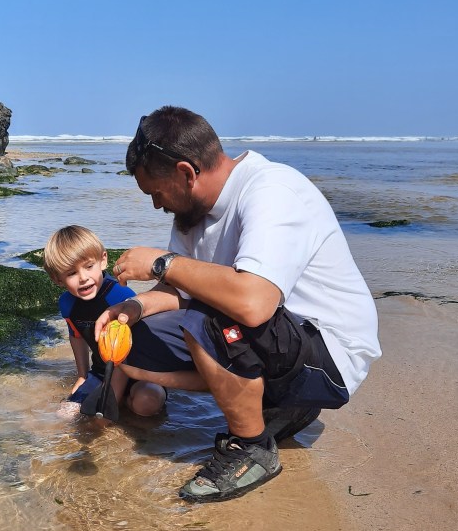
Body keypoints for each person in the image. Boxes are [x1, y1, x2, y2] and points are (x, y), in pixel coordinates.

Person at [94, 106, 381, 502]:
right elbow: (183, 291)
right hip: (276, 345)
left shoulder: (272, 191)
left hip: (329, 355)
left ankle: (253, 448)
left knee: (206, 322)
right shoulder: (192, 216)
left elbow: (253, 303)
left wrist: (161, 262)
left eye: (156, 193)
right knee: (132, 342)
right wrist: (133, 309)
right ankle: (275, 406)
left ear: (186, 172)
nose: (157, 206)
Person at [43, 226, 166, 417]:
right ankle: (120, 404)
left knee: (146, 403)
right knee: (65, 414)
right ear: (57, 279)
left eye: (89, 266)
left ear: (103, 260)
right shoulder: (67, 304)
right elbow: (76, 336)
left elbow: (130, 354)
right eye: (71, 273)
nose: (83, 278)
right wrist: (83, 376)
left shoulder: (122, 297)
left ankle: (126, 403)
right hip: (102, 372)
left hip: (139, 372)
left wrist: (112, 399)